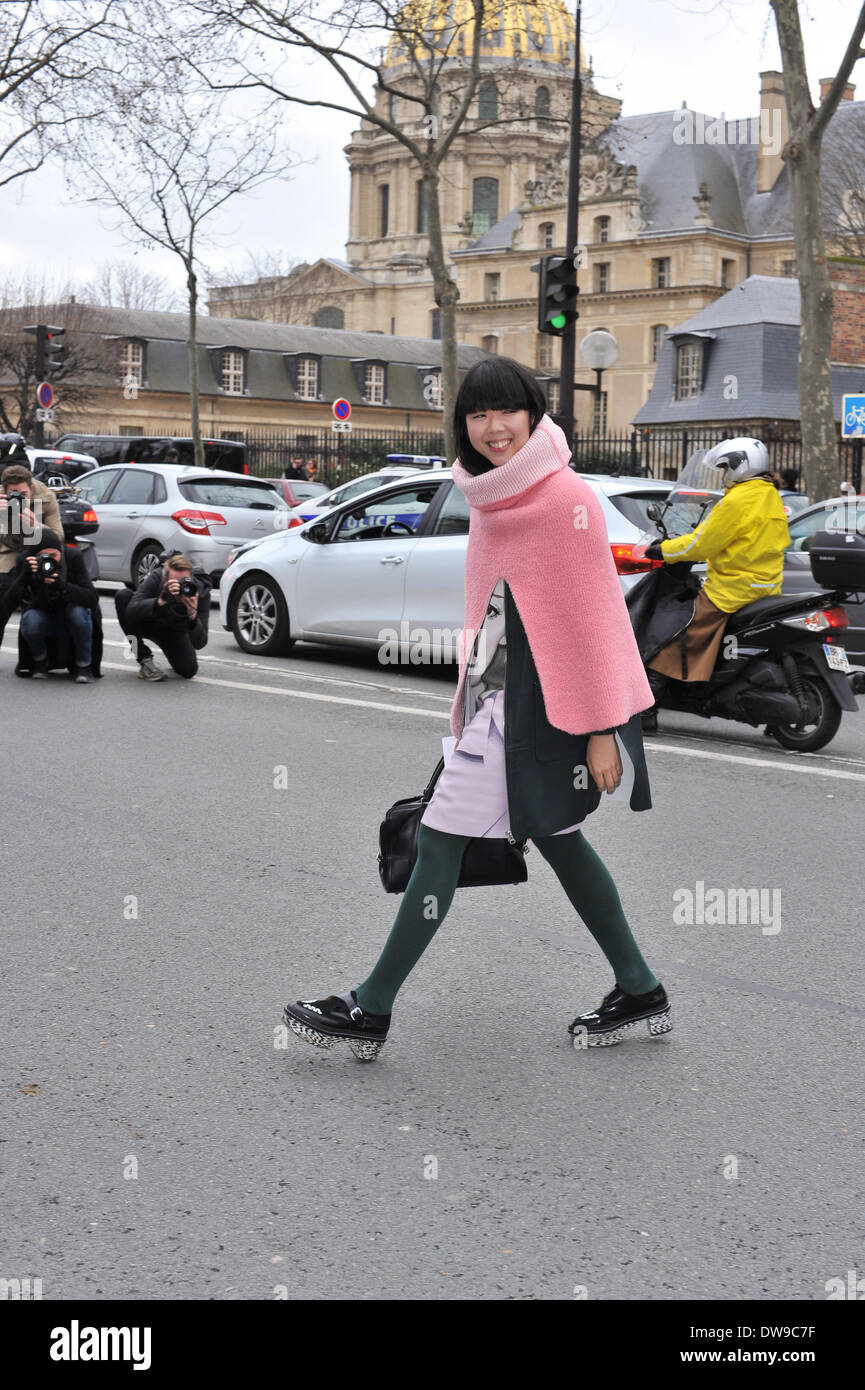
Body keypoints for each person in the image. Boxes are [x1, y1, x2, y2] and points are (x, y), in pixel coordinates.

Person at [283, 356, 670, 1060]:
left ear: (533, 414)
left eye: (506, 412)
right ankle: (639, 986)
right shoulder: (490, 496)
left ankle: (370, 1007)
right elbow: (495, 614)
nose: (493, 428)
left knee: (439, 839)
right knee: (556, 838)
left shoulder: (561, 497)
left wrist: (602, 728)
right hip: (497, 701)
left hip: (543, 709)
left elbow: (594, 618)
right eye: (477, 414)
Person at [637, 437, 792, 732]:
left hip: (733, 588)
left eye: (725, 468)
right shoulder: (770, 495)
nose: (722, 475)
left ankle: (648, 707)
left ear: (739, 465)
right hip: (766, 587)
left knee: (677, 631)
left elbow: (701, 544)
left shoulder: (737, 500)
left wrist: (663, 550)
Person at [0, 528, 102, 681]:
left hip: (72, 618)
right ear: (34, 556)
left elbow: (92, 598)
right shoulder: (25, 561)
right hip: (43, 615)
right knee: (31, 619)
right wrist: (24, 577)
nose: (50, 561)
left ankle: (83, 664)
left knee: (78, 612)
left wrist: (64, 587)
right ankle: (40, 661)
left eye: (54, 555)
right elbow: (7, 605)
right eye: (43, 557)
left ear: (60, 550)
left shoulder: (72, 556)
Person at [114, 551, 211, 680]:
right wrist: (159, 601)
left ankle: (174, 657)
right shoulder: (156, 577)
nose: (179, 587)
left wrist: (192, 614)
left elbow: (200, 643)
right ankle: (143, 657)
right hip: (148, 622)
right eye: (174, 582)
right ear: (165, 579)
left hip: (173, 631)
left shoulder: (199, 592)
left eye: (184, 581)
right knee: (123, 597)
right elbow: (131, 611)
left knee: (188, 670)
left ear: (192, 578)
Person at [0, 463, 64, 638]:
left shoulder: (47, 497)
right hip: (8, 555)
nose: (19, 499)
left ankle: (32, 657)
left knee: (42, 599)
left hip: (39, 554)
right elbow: (7, 540)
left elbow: (58, 537)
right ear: (4, 492)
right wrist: (6, 517)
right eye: (13, 494)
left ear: (32, 488)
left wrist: (35, 526)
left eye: (23, 494)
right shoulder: (1, 501)